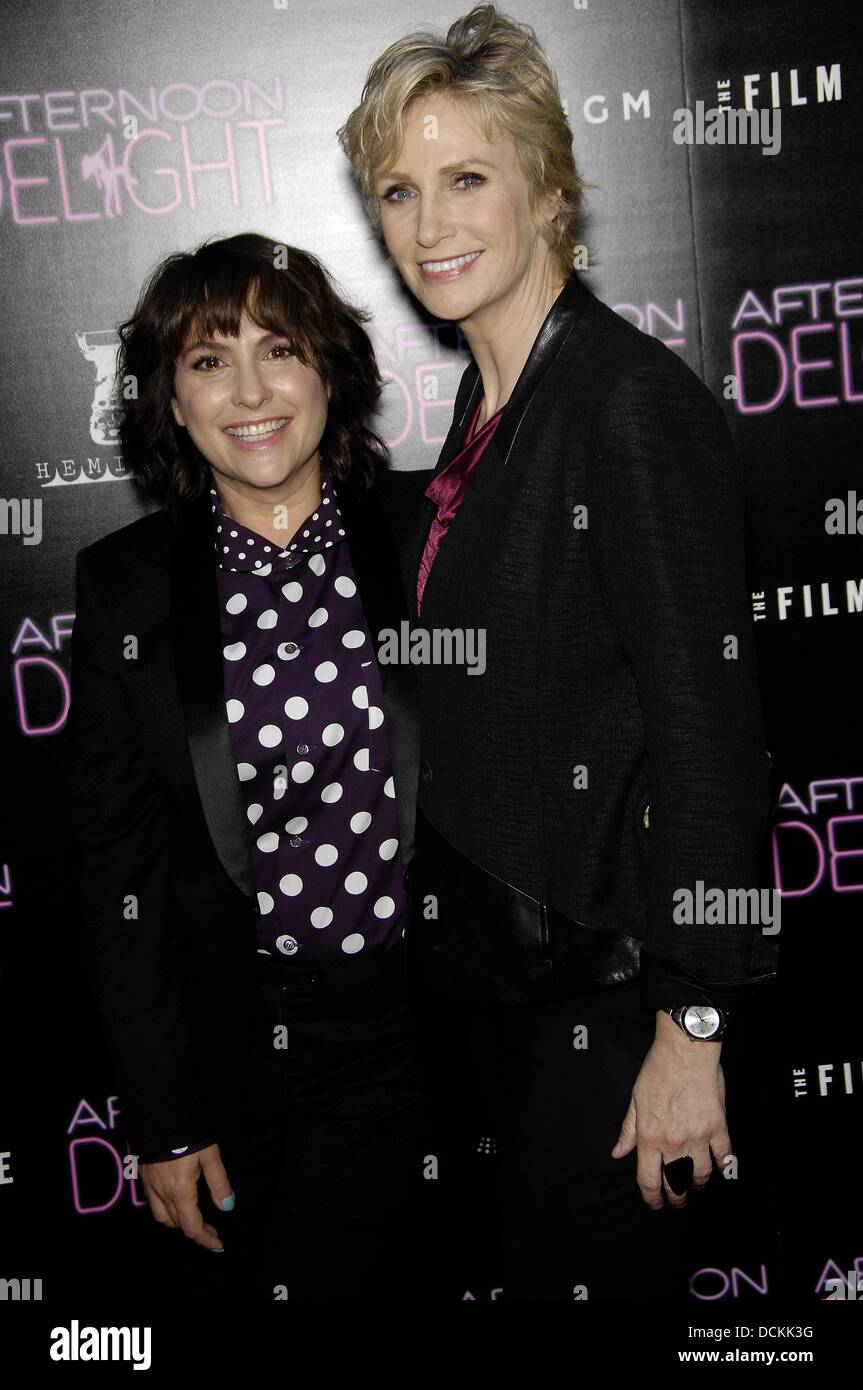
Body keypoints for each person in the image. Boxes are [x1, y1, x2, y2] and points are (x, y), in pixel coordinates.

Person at [338, 4, 778, 1299]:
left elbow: (710, 732)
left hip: (616, 1006)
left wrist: (691, 1027)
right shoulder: (496, 410)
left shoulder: (624, 405)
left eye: (466, 178)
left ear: (545, 186)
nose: (430, 226)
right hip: (514, 992)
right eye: (399, 191)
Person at [66, 233, 431, 1301]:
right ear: (169, 400)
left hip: (430, 1033)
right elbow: (116, 876)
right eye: (207, 360)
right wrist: (164, 1117)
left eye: (278, 348)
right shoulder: (125, 588)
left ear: (328, 370)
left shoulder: (429, 535)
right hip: (242, 1054)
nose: (250, 391)